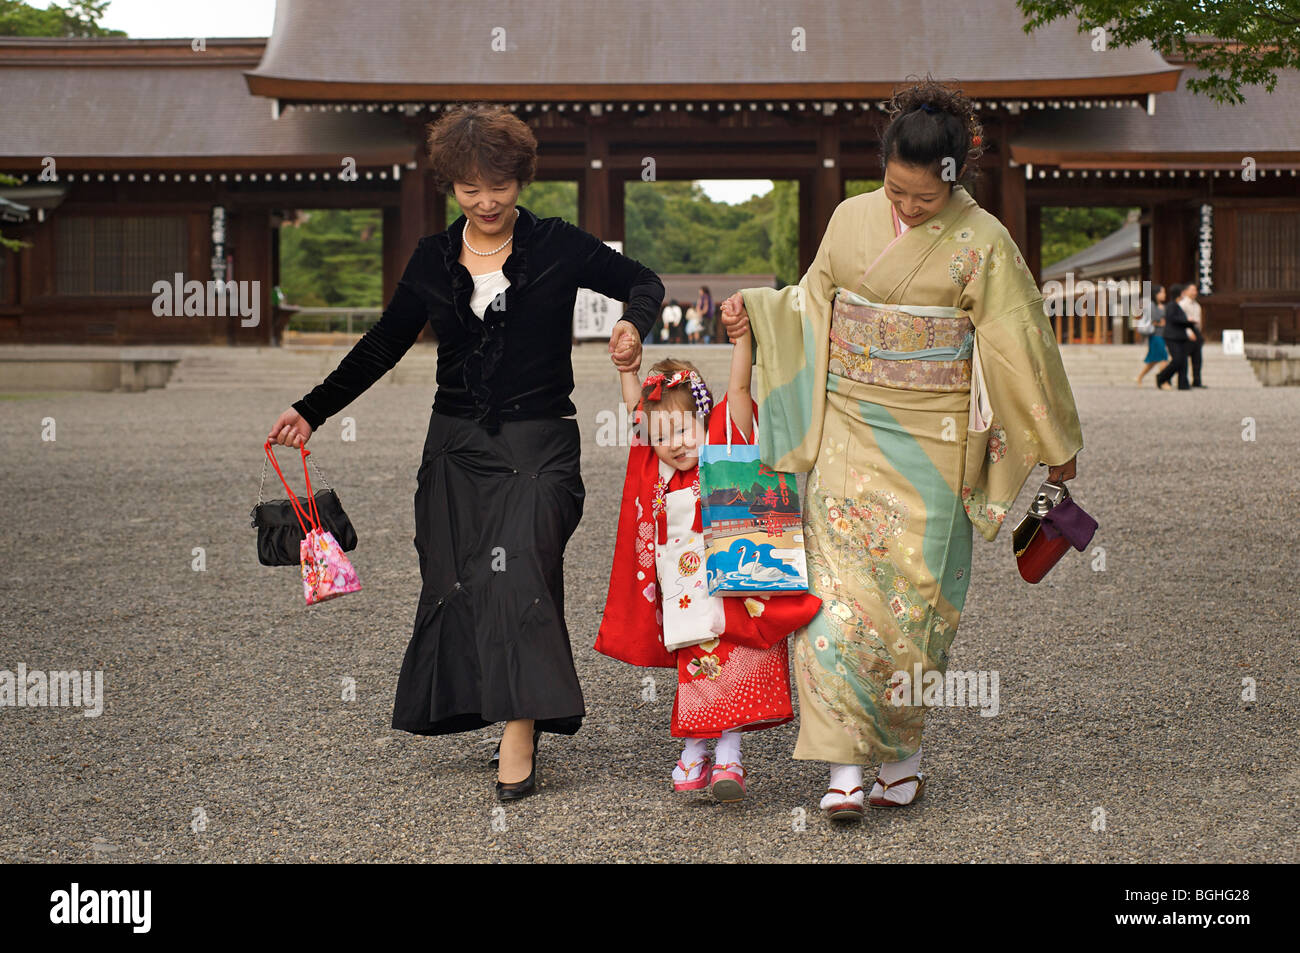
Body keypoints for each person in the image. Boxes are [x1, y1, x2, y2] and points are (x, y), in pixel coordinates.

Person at [266, 104, 663, 802]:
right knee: (461, 584)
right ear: (451, 184)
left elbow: (644, 281)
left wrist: (632, 323)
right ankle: (511, 703)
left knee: (520, 576)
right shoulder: (431, 258)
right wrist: (311, 409)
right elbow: (383, 344)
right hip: (453, 446)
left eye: (500, 186)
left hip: (540, 444)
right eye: (470, 187)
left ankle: (519, 728)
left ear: (522, 180)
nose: (486, 201)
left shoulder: (559, 244)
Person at [719, 80, 1082, 822]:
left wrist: (1055, 447)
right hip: (848, 434)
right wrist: (756, 309)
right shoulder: (851, 218)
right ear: (881, 167)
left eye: (924, 198)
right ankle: (845, 767)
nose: (910, 208)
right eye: (897, 191)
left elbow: (1019, 346)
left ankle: (903, 753)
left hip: (935, 446)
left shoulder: (983, 242)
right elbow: (809, 307)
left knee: (913, 610)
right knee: (837, 606)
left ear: (955, 175)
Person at [594, 339, 821, 802]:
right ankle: (698, 747)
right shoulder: (656, 469)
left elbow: (738, 390)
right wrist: (627, 371)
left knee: (733, 669)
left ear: (704, 420)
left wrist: (742, 342)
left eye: (684, 429)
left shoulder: (723, 444)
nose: (674, 444)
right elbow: (638, 412)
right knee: (697, 672)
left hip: (736, 594)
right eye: (661, 436)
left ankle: (727, 755)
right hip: (688, 598)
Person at [1155, 282, 1196, 390]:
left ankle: (1183, 383)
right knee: (1177, 360)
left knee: (1183, 361)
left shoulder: (1176, 306)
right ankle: (1161, 377)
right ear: (1181, 293)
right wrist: (1187, 320)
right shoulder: (1171, 306)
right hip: (1172, 337)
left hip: (1180, 337)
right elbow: (1173, 319)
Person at [1135, 283, 1169, 386]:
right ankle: (1164, 382)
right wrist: (1160, 323)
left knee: (1153, 361)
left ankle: (1139, 377)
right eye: (1162, 292)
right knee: (1163, 358)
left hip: (1162, 335)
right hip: (1155, 335)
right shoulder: (1151, 305)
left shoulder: (1163, 306)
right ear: (1156, 294)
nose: (1164, 294)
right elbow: (1151, 320)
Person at [1179, 283, 1207, 387]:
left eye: (1195, 290)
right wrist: (1188, 333)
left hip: (1196, 332)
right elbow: (1182, 320)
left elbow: (1199, 321)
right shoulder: (1182, 304)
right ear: (1186, 291)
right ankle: (1183, 380)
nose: (1194, 292)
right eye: (1192, 290)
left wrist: (1198, 333)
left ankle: (1197, 380)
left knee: (1197, 358)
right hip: (1186, 333)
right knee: (1185, 358)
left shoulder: (1197, 305)